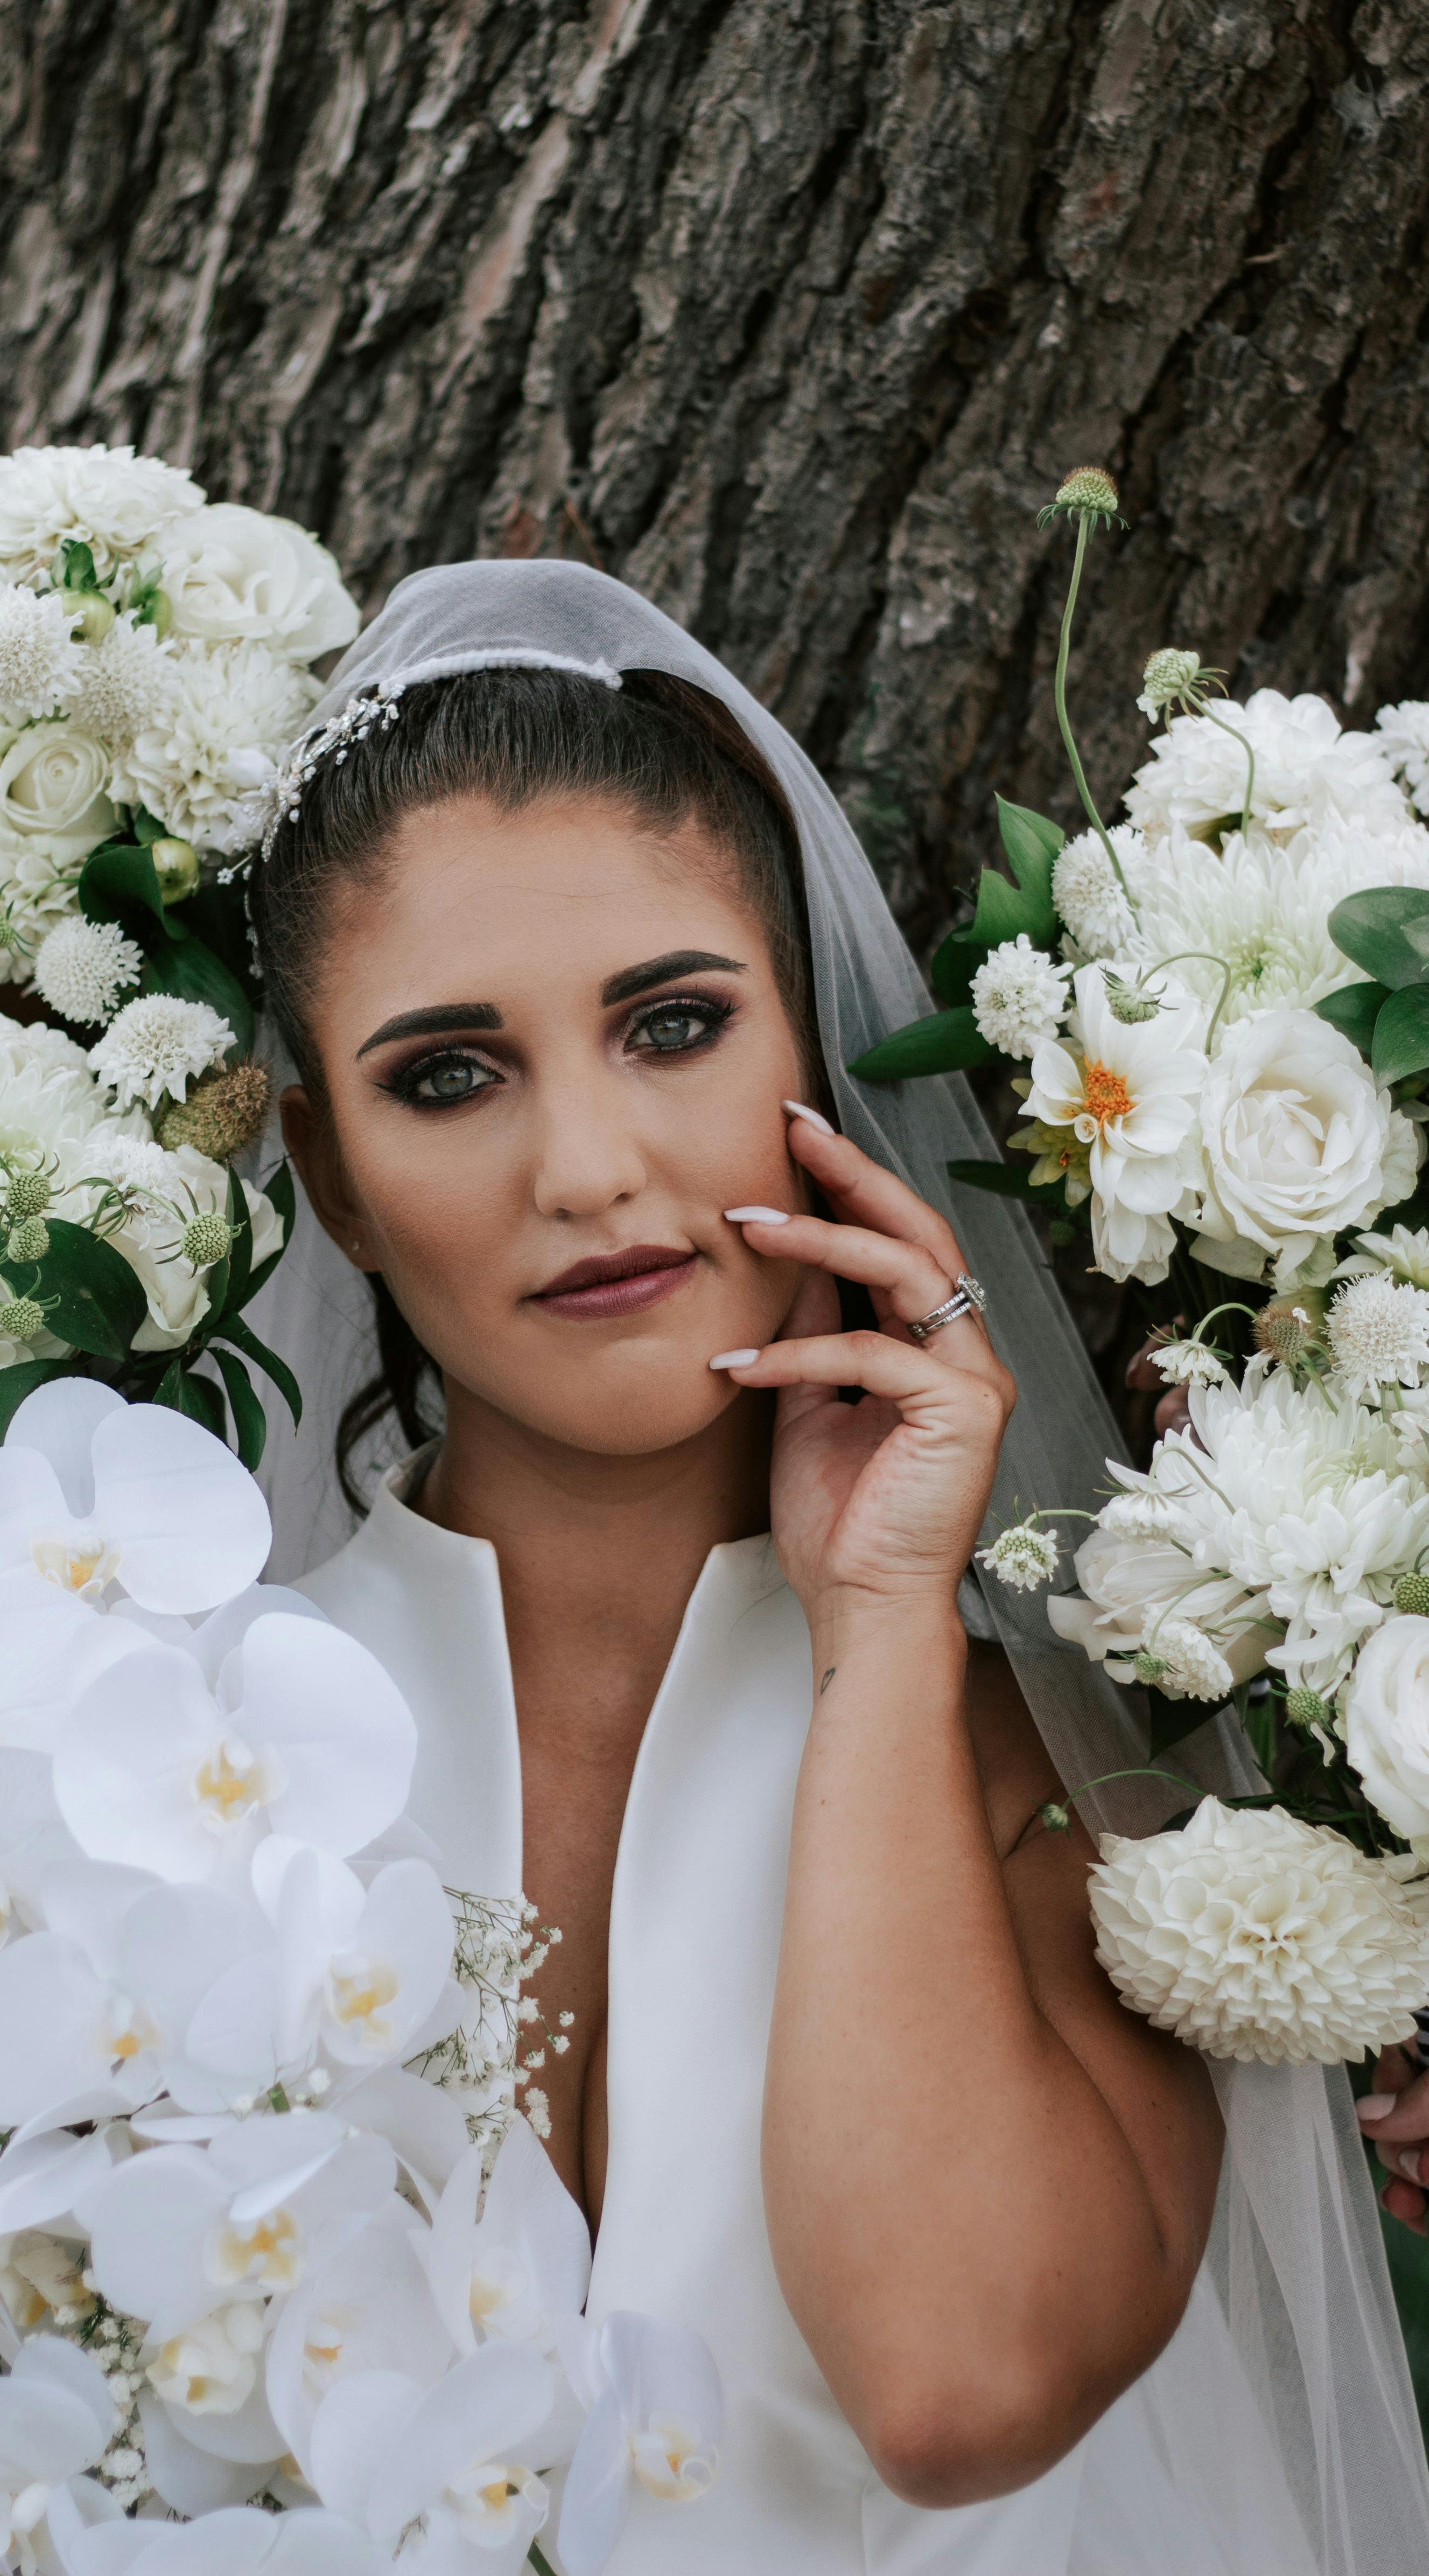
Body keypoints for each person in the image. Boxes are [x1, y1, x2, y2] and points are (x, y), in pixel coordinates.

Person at [240, 558, 1429, 2572]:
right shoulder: (150, 1736)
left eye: (674, 1025)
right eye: (449, 1073)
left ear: (817, 1055)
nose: (589, 1168)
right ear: (332, 1177)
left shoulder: (1076, 1768)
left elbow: (954, 2391)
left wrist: (882, 1634)